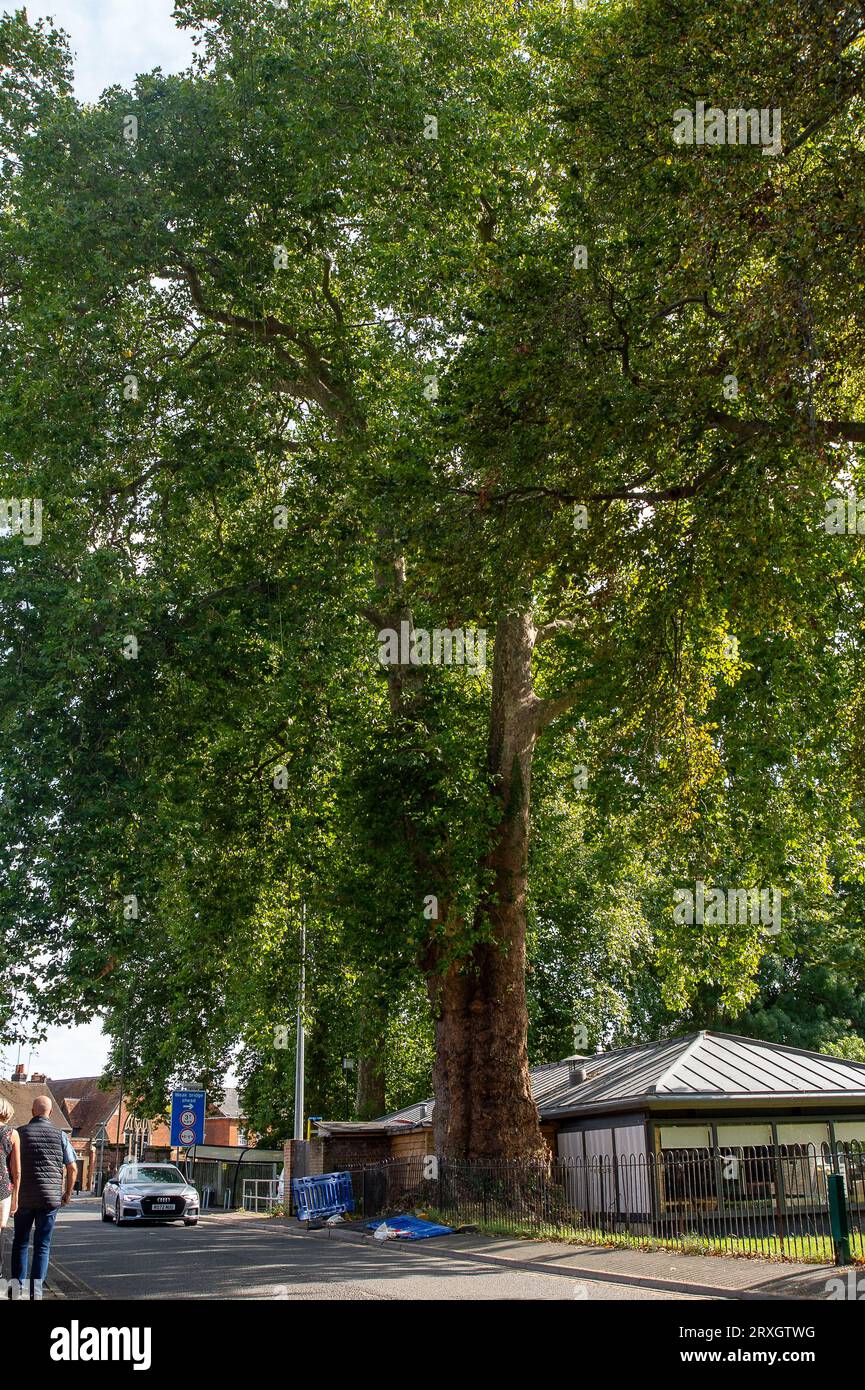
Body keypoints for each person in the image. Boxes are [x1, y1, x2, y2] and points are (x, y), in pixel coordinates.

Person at [10, 1095, 77, 1300]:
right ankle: (35, 1293)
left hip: (23, 1197)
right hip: (49, 1198)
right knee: (42, 1245)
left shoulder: (19, 1134)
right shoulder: (60, 1136)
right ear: (51, 1113)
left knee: (20, 1242)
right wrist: (67, 1193)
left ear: (32, 1112)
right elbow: (73, 1167)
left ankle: (15, 1289)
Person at [0, 1094, 21, 1275]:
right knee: (0, 1230)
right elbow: (17, 1171)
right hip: (2, 1188)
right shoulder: (12, 1134)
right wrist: (16, 1198)